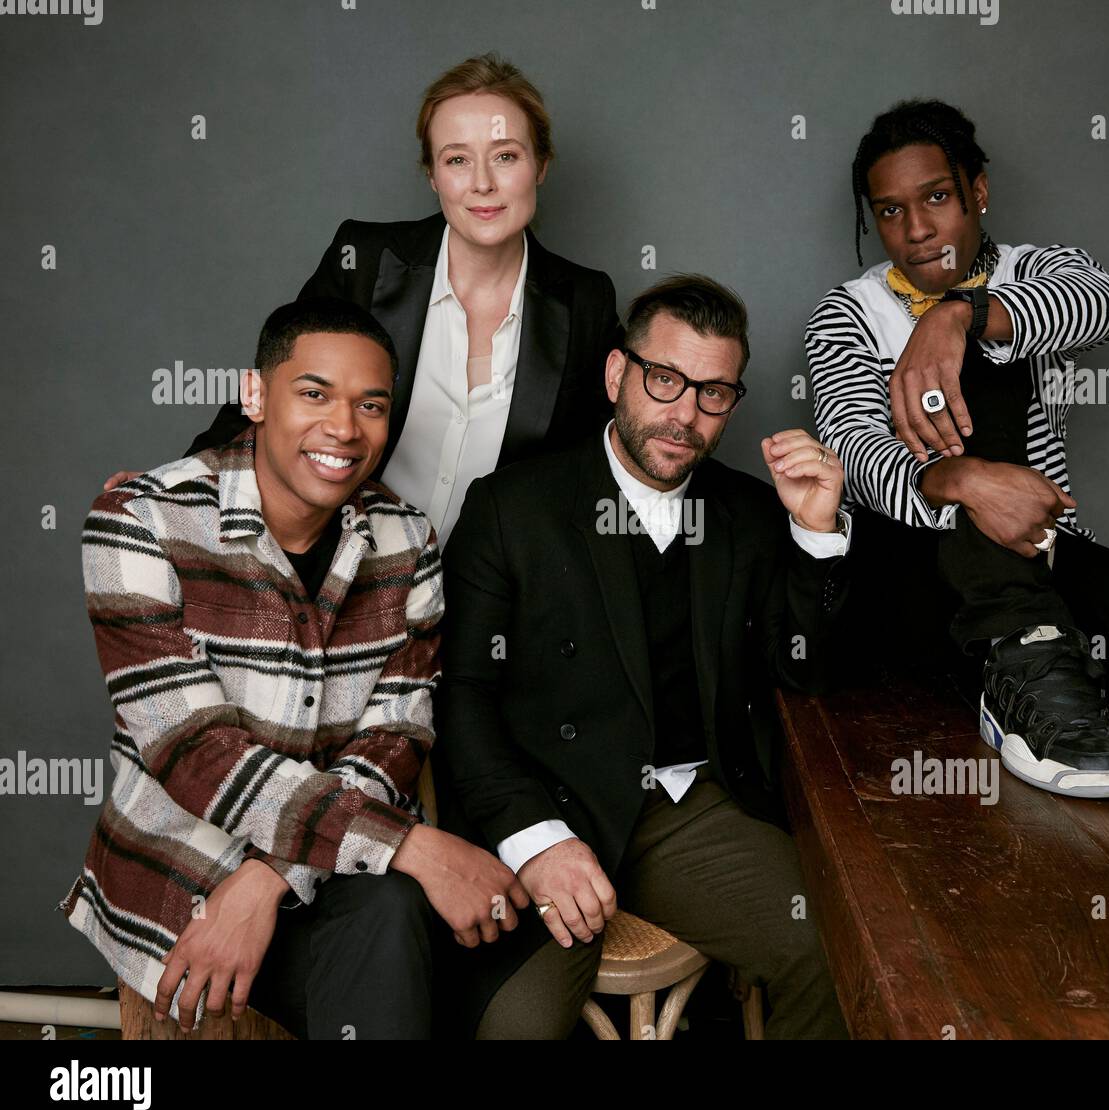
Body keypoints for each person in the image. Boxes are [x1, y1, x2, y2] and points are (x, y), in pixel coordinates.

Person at [63, 297, 529, 1039]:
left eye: (370, 405)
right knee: (397, 899)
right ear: (255, 396)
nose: (344, 429)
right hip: (180, 878)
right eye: (313, 394)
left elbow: (394, 742)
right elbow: (194, 753)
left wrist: (270, 878)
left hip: (335, 874)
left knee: (391, 910)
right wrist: (412, 845)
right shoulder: (140, 520)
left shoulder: (407, 542)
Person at [806, 98, 1109, 797]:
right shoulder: (847, 313)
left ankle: (1034, 654)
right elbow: (853, 453)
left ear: (978, 190)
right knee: (978, 373)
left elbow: (1104, 303)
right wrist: (965, 481)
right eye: (889, 212)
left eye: (937, 198)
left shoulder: (1038, 270)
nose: (916, 231)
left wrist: (962, 315)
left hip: (1045, 552)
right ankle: (1025, 646)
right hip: (913, 580)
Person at [437, 275, 852, 1039]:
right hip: (548, 806)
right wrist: (536, 842)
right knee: (514, 1027)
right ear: (615, 374)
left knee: (835, 954)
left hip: (684, 811)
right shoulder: (511, 507)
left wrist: (817, 538)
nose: (685, 414)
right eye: (665, 379)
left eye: (714, 393)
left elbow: (804, 673)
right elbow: (461, 696)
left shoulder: (752, 513)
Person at [105, 53, 620, 546]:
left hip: (498, 602)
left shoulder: (585, 301)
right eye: (457, 159)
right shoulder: (367, 260)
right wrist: (181, 484)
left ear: (542, 165)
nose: (482, 183)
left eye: (506, 156)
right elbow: (277, 386)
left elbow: (601, 460)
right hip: (354, 572)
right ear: (432, 175)